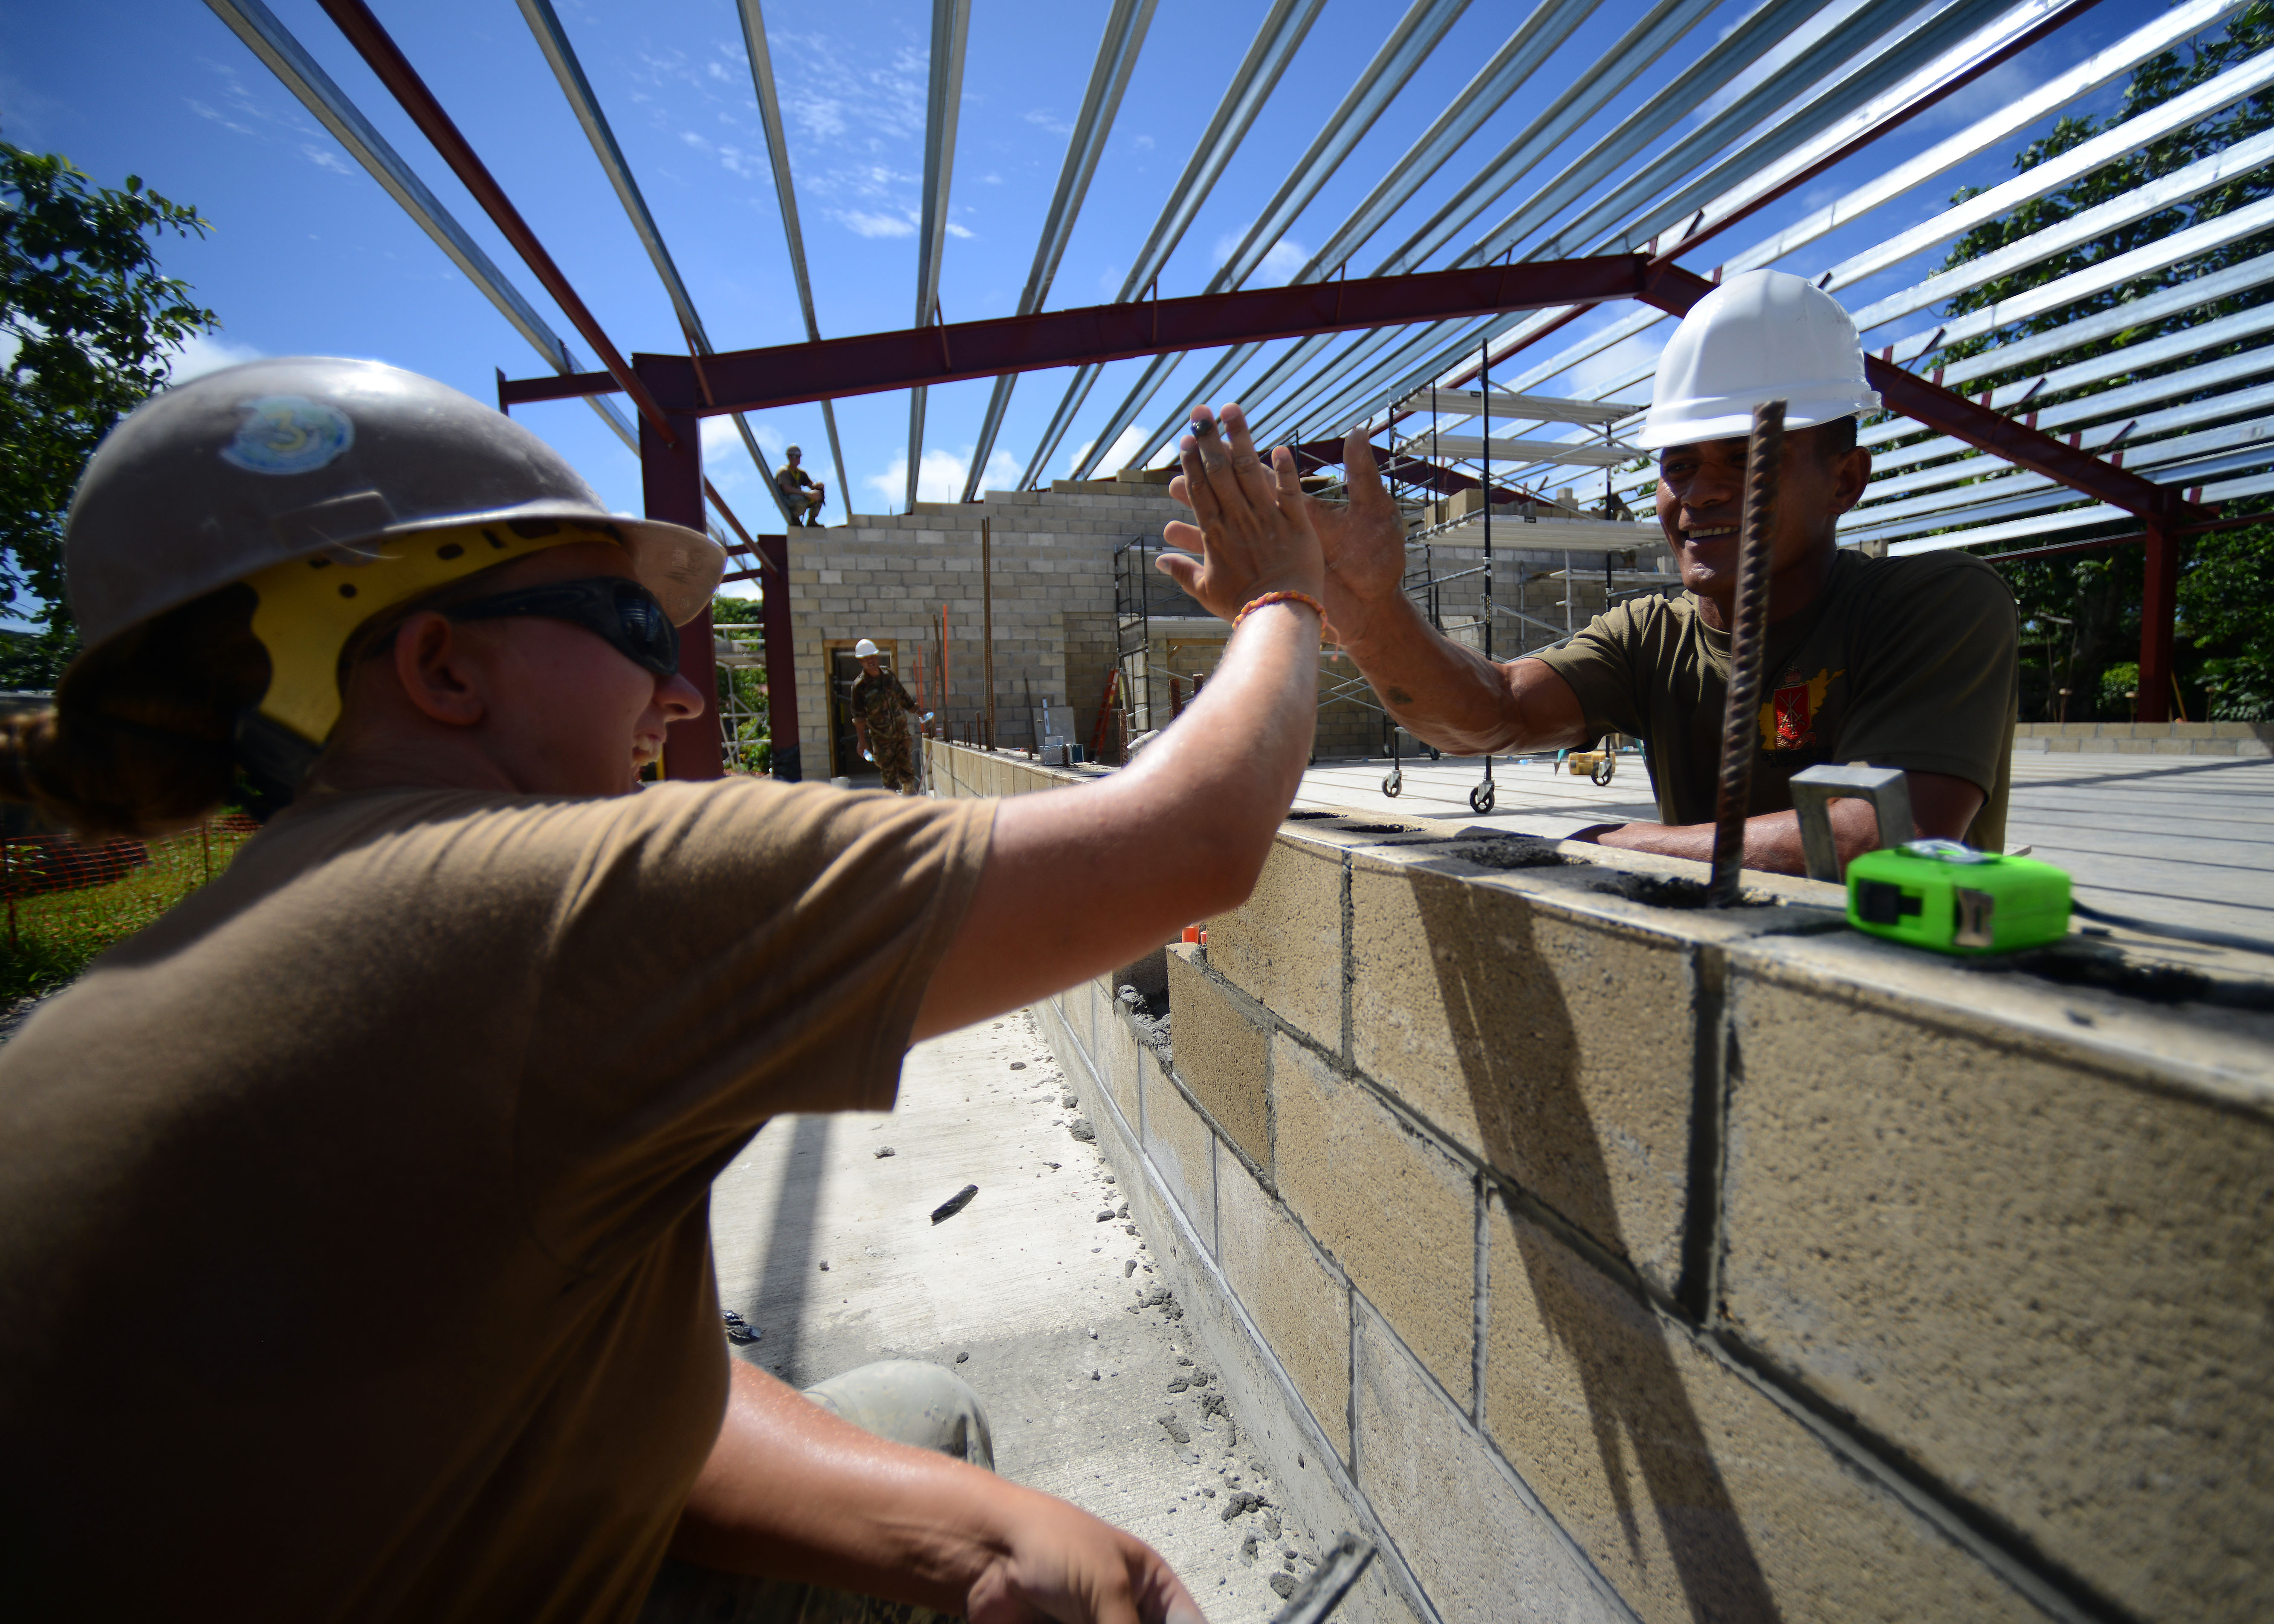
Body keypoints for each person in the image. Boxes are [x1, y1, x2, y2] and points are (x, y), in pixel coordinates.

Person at [0, 358, 1328, 1624]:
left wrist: (977, 1535)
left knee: (920, 1441)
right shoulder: (539, 902)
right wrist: (1283, 596)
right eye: (633, 626)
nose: (683, 689)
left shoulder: (149, 988)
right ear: (441, 666)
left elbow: (564, 1391)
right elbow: (1190, 840)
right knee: (928, 1422)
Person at [1308, 269, 2019, 875]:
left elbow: (1880, 837)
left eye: (1745, 459)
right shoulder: (1650, 638)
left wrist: (1617, 844)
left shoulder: (1932, 607)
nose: (1700, 492)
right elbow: (1491, 713)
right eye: (1678, 465)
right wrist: (1371, 617)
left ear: (1844, 481)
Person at [849, 637, 922, 794]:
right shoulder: (859, 687)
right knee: (888, 772)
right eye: (866, 659)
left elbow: (903, 696)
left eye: (873, 657)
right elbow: (859, 717)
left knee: (906, 767)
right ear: (860, 661)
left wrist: (918, 711)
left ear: (877, 656)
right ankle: (891, 799)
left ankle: (909, 793)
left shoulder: (888, 675)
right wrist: (862, 742)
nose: (871, 661)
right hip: (882, 737)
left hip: (901, 731)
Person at [777, 444, 826, 527]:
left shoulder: (801, 473)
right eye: (794, 456)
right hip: (787, 499)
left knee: (818, 495)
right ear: (789, 457)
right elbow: (786, 489)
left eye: (798, 457)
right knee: (802, 500)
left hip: (799, 496)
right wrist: (807, 494)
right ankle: (795, 519)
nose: (797, 459)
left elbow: (811, 485)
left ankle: (812, 521)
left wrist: (818, 486)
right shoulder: (784, 471)